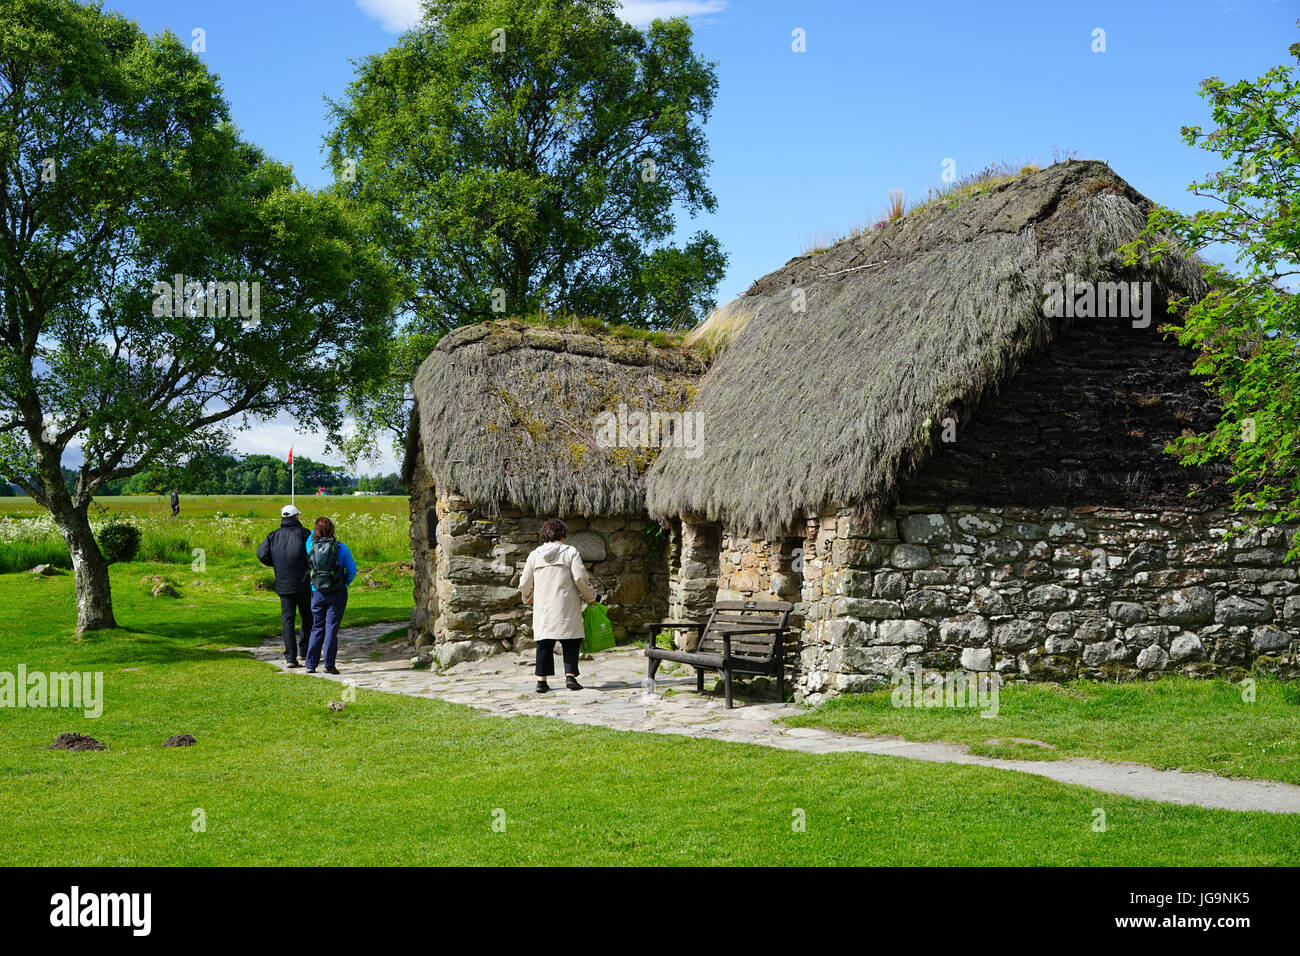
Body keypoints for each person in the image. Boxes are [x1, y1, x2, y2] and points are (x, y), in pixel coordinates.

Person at [520, 518, 596, 693]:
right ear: (562, 536)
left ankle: (541, 681)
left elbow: (524, 582)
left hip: (543, 607)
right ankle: (570, 677)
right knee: (571, 640)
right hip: (566, 605)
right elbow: (579, 579)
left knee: (544, 643)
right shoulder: (570, 552)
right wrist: (590, 596)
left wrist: (527, 597)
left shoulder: (535, 555)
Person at [256, 504, 313, 667]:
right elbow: (312, 553)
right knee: (307, 617)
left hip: (283, 584)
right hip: (303, 583)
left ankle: (290, 658)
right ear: (296, 517)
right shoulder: (304, 533)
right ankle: (305, 650)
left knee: (287, 621)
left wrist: (276, 564)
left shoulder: (273, 536)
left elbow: (261, 554)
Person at [303, 516, 357, 675]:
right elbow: (352, 570)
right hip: (337, 591)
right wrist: (344, 583)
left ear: (316, 530)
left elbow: (310, 539)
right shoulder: (341, 548)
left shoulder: (310, 546)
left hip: (316, 591)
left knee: (316, 627)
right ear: (332, 529)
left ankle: (311, 664)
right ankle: (329, 664)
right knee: (331, 628)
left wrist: (316, 529)